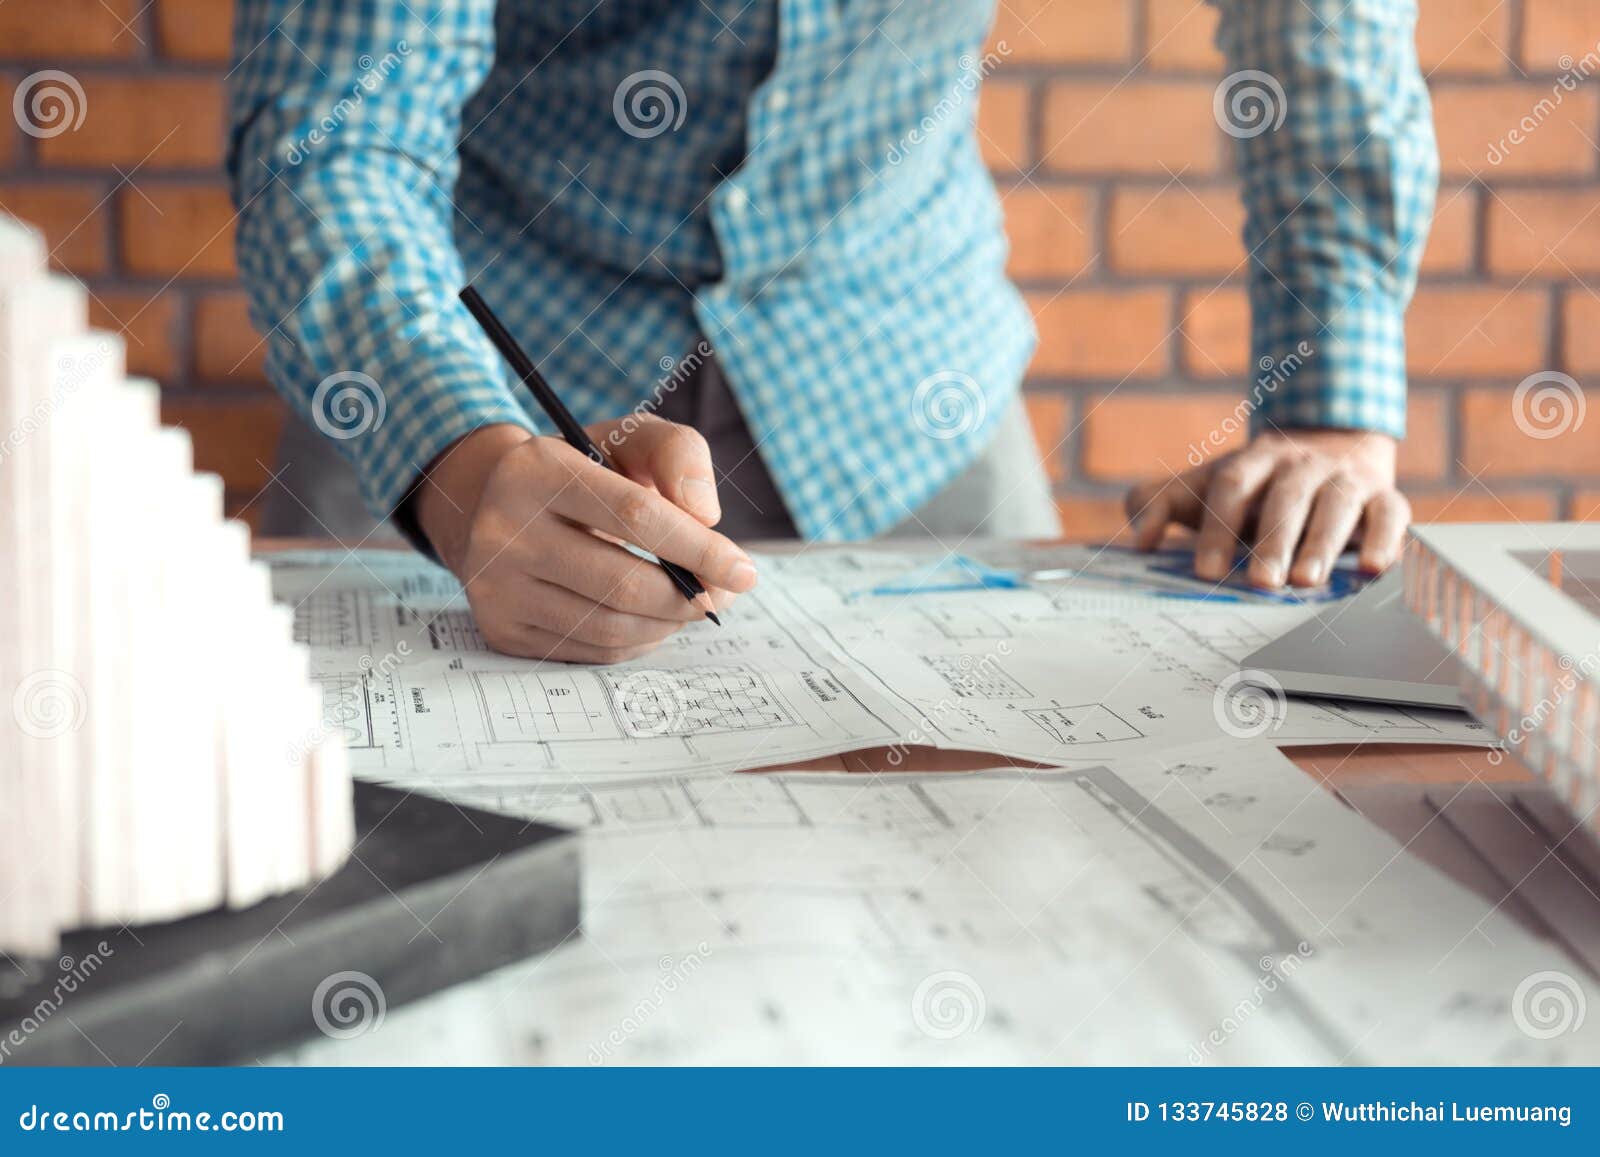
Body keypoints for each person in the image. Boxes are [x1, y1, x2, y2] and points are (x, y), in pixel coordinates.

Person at [227, 0, 1434, 662]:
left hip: (900, 367)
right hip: (467, 365)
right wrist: (451, 461)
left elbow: (1319, 31)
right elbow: (339, 129)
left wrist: (1330, 410)